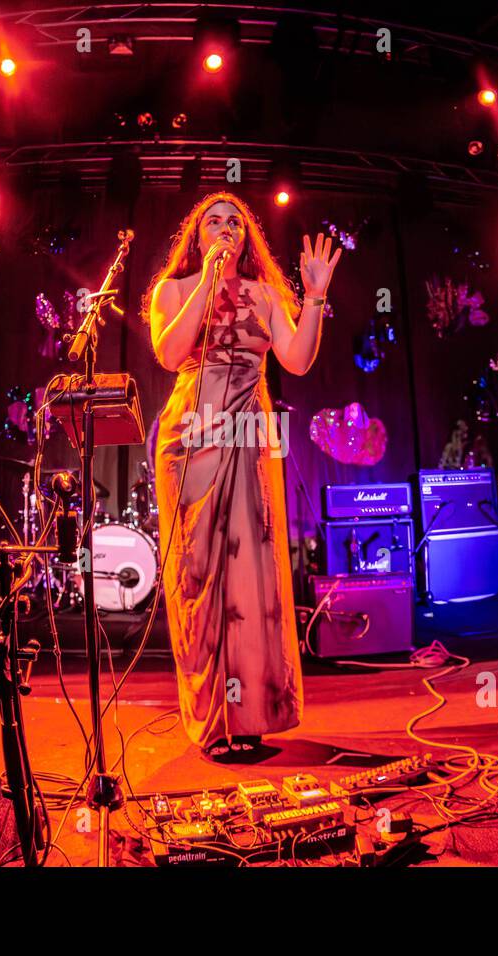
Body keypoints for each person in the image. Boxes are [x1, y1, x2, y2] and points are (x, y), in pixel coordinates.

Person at [144, 192, 342, 760]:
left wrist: (316, 298)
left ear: (248, 234)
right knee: (198, 576)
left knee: (251, 576)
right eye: (214, 221)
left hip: (248, 437)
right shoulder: (174, 290)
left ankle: (251, 714)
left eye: (235, 221)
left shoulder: (269, 294)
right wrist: (208, 281)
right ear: (197, 236)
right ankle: (211, 717)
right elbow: (168, 351)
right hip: (191, 441)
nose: (226, 228)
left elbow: (297, 361)